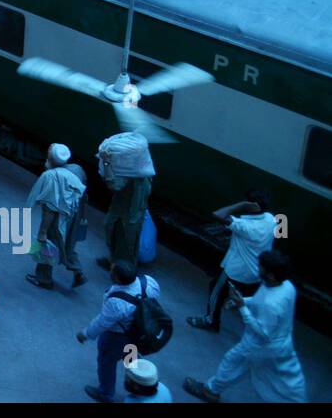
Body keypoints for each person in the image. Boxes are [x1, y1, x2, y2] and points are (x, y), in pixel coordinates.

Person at [183, 250, 306, 403]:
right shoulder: (287, 286)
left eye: (261, 267)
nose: (258, 268)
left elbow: (263, 333)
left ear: (271, 275)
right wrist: (244, 301)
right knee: (285, 379)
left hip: (259, 345)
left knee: (232, 362)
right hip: (281, 345)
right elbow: (260, 298)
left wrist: (242, 307)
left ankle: (211, 391)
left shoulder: (271, 305)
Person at [187, 192, 277, 332]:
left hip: (236, 271)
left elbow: (217, 214)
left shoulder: (243, 225)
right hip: (257, 273)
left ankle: (211, 321)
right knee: (250, 299)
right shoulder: (271, 220)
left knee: (215, 289)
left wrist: (240, 205)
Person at [76, 260, 162, 403]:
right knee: (131, 359)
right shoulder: (149, 282)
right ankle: (143, 384)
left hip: (117, 337)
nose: (110, 270)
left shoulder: (117, 302)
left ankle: (105, 394)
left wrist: (85, 334)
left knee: (106, 362)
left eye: (112, 270)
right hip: (137, 333)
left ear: (117, 278)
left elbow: (102, 323)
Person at [25, 143, 89, 290]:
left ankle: (43, 278)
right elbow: (84, 195)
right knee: (69, 244)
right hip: (74, 215)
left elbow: (50, 210)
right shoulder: (77, 169)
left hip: (57, 220)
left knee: (48, 245)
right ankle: (77, 271)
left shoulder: (52, 177)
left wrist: (42, 232)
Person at [96, 132, 154, 271]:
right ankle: (115, 263)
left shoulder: (130, 175)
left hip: (126, 216)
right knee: (122, 240)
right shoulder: (143, 171)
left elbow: (114, 185)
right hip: (132, 213)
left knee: (124, 242)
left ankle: (124, 273)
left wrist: (106, 162)